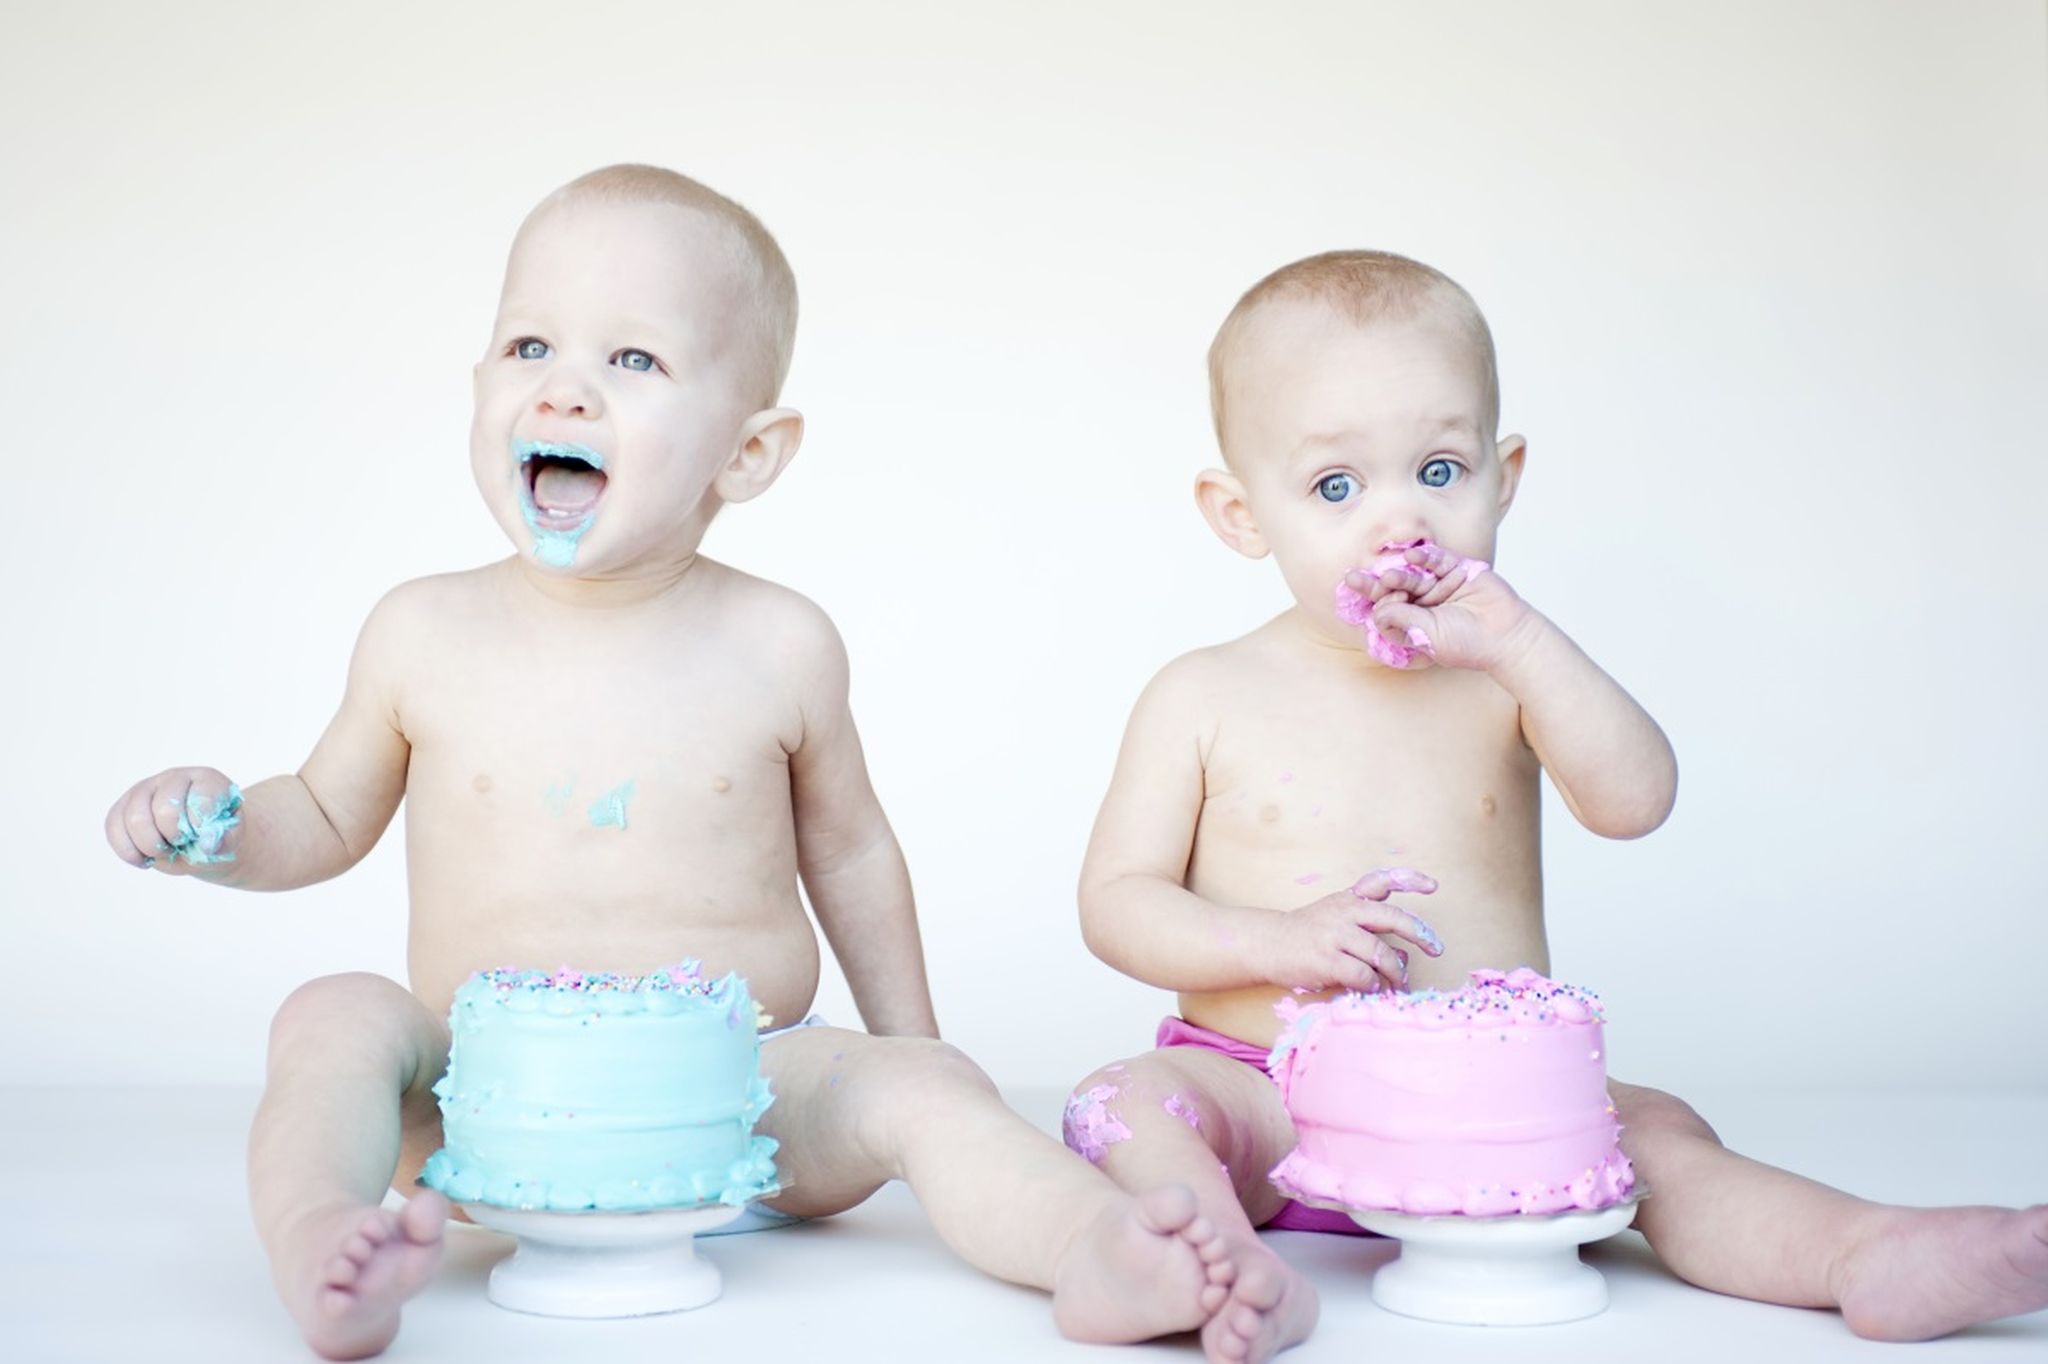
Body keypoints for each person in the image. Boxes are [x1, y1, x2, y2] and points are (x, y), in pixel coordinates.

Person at [104, 164, 1236, 1361]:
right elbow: (324, 812)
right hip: (483, 1101)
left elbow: (850, 850)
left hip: (747, 1090)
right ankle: (323, 1239)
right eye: (528, 345)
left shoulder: (778, 642)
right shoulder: (419, 631)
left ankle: (1093, 1251)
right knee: (330, 1015)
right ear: (480, 384)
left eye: (633, 358)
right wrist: (224, 831)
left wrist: (915, 1041)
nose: (564, 387)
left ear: (747, 453)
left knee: (922, 1093)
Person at [1064, 249, 2048, 1362]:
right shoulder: (1202, 694)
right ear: (1241, 514)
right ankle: (1213, 1262)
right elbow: (1117, 902)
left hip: (1492, 1105)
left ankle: (1860, 1252)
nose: (1400, 519)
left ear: (1504, 476)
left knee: (1659, 1133)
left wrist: (1524, 647)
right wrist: (1274, 940)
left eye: (1439, 469)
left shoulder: (1505, 677)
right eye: (1336, 486)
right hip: (1263, 1093)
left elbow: (1637, 800)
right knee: (1126, 1101)